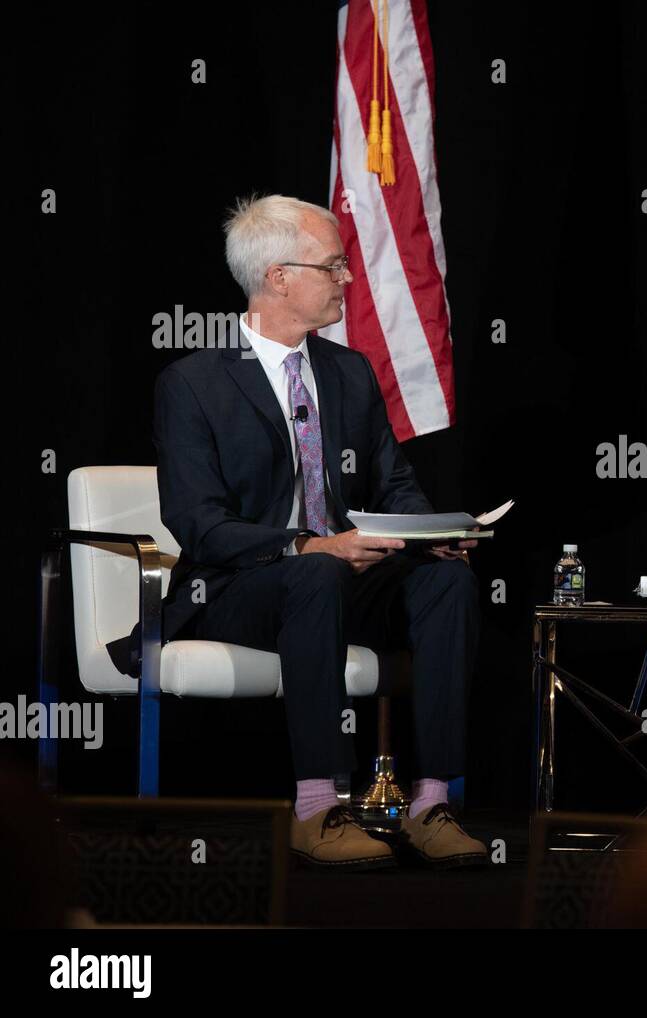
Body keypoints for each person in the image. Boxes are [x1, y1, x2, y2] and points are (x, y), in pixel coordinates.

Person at [108, 195, 485, 870]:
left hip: (339, 580)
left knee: (445, 581)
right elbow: (198, 524)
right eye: (333, 266)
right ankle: (319, 807)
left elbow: (392, 482)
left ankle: (432, 801)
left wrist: (431, 533)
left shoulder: (349, 372)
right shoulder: (192, 384)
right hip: (237, 587)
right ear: (279, 277)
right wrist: (307, 545)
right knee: (315, 570)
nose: (346, 279)